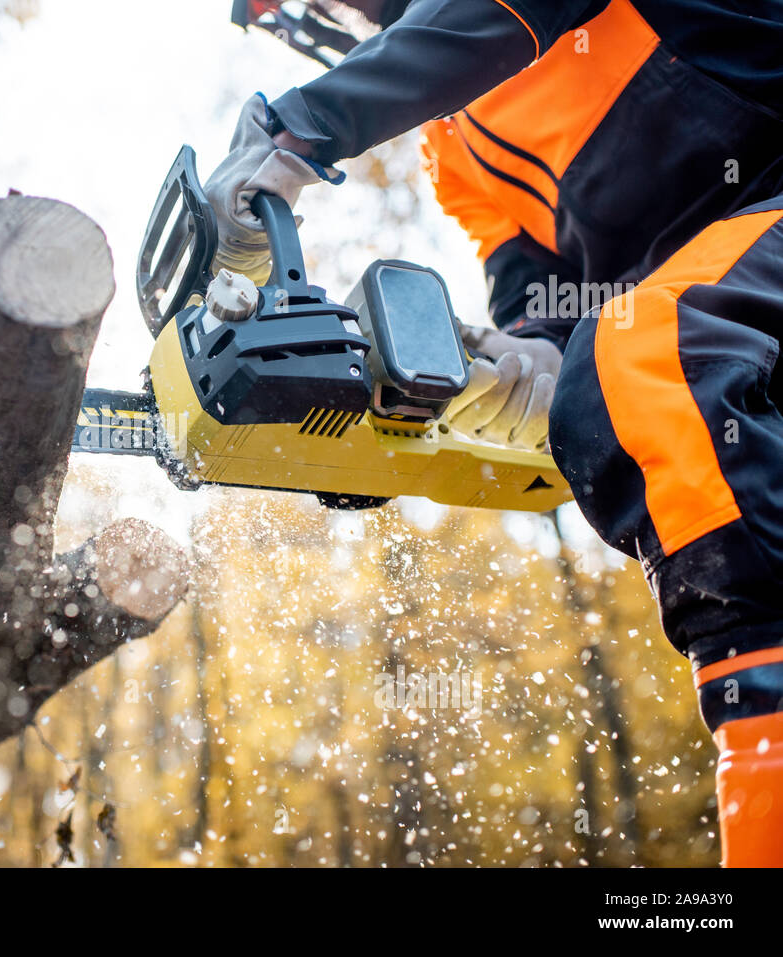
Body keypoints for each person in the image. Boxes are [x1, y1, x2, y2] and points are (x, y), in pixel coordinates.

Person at [207, 0, 783, 866]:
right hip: (735, 318)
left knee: (646, 360)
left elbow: (494, 14)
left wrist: (306, 125)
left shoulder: (476, 33)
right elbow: (541, 295)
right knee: (619, 378)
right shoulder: (458, 150)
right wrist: (520, 354)